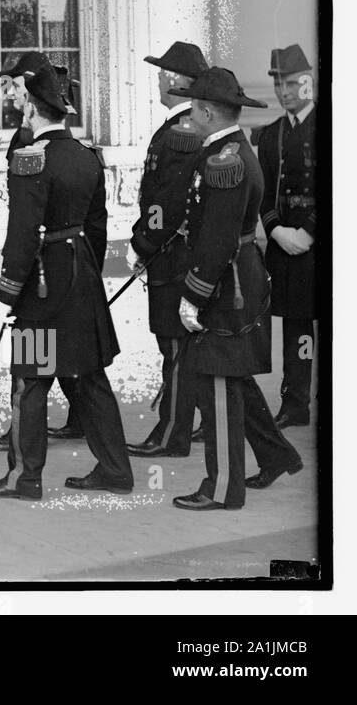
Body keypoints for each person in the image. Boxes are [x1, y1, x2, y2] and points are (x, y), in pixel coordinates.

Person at [0, 64, 132, 501]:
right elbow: (98, 229)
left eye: (24, 103)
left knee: (30, 378)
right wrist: (83, 269)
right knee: (88, 374)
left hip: (40, 288)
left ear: (32, 107)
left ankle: (23, 479)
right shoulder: (87, 157)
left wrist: (6, 292)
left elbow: (23, 233)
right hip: (80, 276)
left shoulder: (31, 160)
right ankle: (116, 469)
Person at [168, 68, 302, 510]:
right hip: (239, 276)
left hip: (228, 285)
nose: (191, 115)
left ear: (207, 112)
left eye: (194, 109)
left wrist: (194, 294)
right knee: (235, 376)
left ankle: (224, 487)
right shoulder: (233, 149)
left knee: (218, 381)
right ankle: (277, 454)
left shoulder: (224, 161)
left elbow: (219, 238)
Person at [0, 52, 83, 453]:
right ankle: (76, 419)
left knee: (34, 354)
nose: (12, 95)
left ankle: (26, 436)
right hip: (52, 261)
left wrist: (11, 276)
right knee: (53, 349)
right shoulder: (25, 136)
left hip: (40, 264)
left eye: (16, 87)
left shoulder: (39, 139)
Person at [126, 41, 209, 458]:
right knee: (177, 345)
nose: (158, 79)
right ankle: (189, 424)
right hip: (173, 254)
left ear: (177, 80)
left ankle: (173, 433)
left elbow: (166, 204)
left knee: (173, 344)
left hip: (172, 258)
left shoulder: (182, 134)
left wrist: (143, 243)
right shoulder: (185, 128)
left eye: (162, 72)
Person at [257, 44, 318, 428]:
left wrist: (310, 232)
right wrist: (276, 230)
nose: (285, 91)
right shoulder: (271, 134)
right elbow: (264, 191)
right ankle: (295, 403)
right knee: (296, 323)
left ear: (308, 81)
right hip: (284, 243)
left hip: (318, 244)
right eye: (278, 84)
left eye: (292, 83)